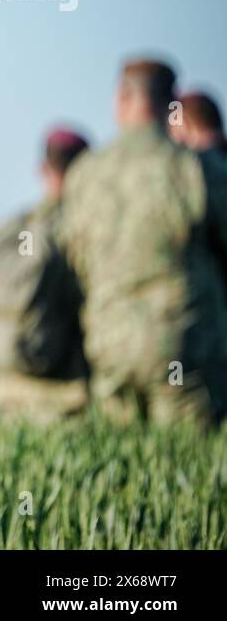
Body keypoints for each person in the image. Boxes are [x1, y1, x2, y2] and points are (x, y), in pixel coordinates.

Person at [60, 60, 227, 428]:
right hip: (182, 344)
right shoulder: (196, 169)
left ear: (121, 99)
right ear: (173, 105)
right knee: (191, 467)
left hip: (108, 342)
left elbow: (73, 258)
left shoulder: (84, 175)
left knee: (122, 468)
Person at [0, 128, 90, 423]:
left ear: (42, 169)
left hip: (7, 390)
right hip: (71, 394)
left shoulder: (16, 226)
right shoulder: (82, 227)